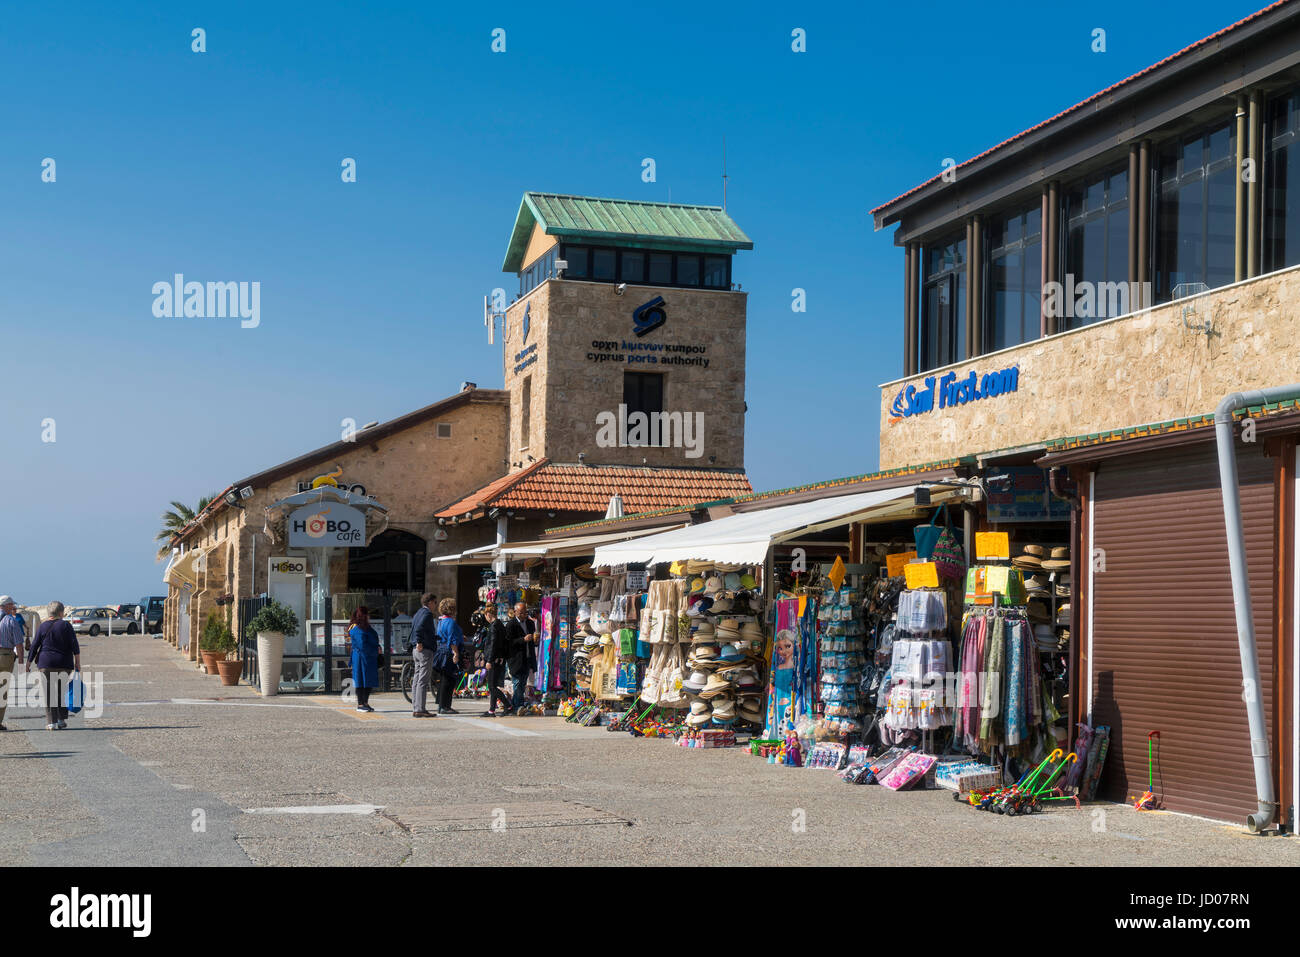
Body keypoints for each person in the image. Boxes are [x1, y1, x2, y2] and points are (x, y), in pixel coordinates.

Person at [27, 601, 80, 731]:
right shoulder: (66, 626)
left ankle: (51, 722)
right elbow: (75, 645)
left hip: (46, 664)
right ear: (61, 613)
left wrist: (28, 663)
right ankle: (61, 720)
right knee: (61, 692)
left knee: (49, 693)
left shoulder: (43, 626)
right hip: (64, 663)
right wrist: (78, 662)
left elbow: (34, 646)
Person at [409, 593, 438, 718]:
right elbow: (419, 629)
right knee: (423, 680)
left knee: (417, 678)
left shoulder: (418, 613)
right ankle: (420, 708)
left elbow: (417, 628)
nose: (436, 606)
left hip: (417, 650)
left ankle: (416, 707)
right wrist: (419, 642)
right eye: (435, 603)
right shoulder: (427, 614)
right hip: (424, 650)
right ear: (430, 602)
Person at [0, 596, 26, 731]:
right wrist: (21, 664)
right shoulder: (11, 621)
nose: (13, 608)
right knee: (2, 691)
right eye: (12, 606)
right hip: (5, 656)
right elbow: (19, 644)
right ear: (8, 605)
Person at [433, 598, 463, 715]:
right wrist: (456, 653)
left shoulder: (441, 621)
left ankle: (441, 705)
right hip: (449, 653)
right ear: (452, 609)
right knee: (449, 680)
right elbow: (452, 639)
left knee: (444, 679)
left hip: (441, 652)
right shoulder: (450, 622)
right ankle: (445, 706)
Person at [482, 604, 512, 716]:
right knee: (493, 685)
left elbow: (493, 644)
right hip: (499, 659)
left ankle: (508, 706)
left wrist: (489, 660)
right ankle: (491, 710)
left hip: (494, 660)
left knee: (492, 686)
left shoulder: (494, 626)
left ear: (488, 614)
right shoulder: (499, 625)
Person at [348, 606, 379, 713]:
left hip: (367, 658)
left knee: (368, 681)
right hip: (362, 658)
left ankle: (365, 703)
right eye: (367, 614)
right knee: (361, 680)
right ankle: (360, 703)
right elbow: (362, 645)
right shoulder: (357, 629)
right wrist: (375, 649)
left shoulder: (362, 628)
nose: (368, 616)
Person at [505, 602, 533, 713]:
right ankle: (517, 706)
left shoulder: (530, 623)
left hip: (527, 657)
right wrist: (523, 639)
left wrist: (534, 639)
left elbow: (531, 641)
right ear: (515, 612)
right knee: (517, 683)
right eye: (521, 613)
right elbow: (508, 642)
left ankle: (516, 705)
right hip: (515, 659)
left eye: (525, 612)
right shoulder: (511, 625)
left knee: (522, 683)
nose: (523, 615)